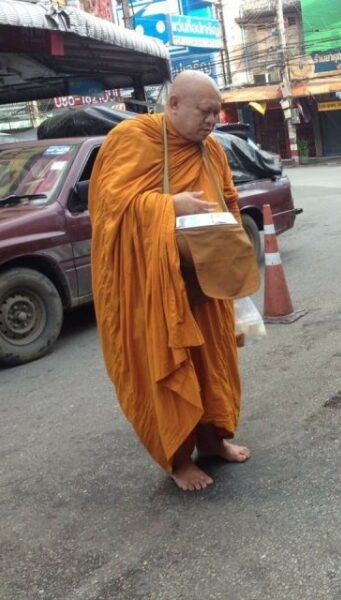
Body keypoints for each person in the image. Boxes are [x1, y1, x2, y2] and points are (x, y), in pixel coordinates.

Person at [89, 70, 251, 492]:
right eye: (205, 111)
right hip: (152, 285)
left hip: (205, 278)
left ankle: (213, 441)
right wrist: (170, 205)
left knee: (212, 361)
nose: (212, 120)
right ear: (173, 104)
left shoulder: (211, 150)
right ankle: (178, 460)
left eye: (217, 112)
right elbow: (109, 209)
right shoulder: (132, 138)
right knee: (170, 366)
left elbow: (229, 199)